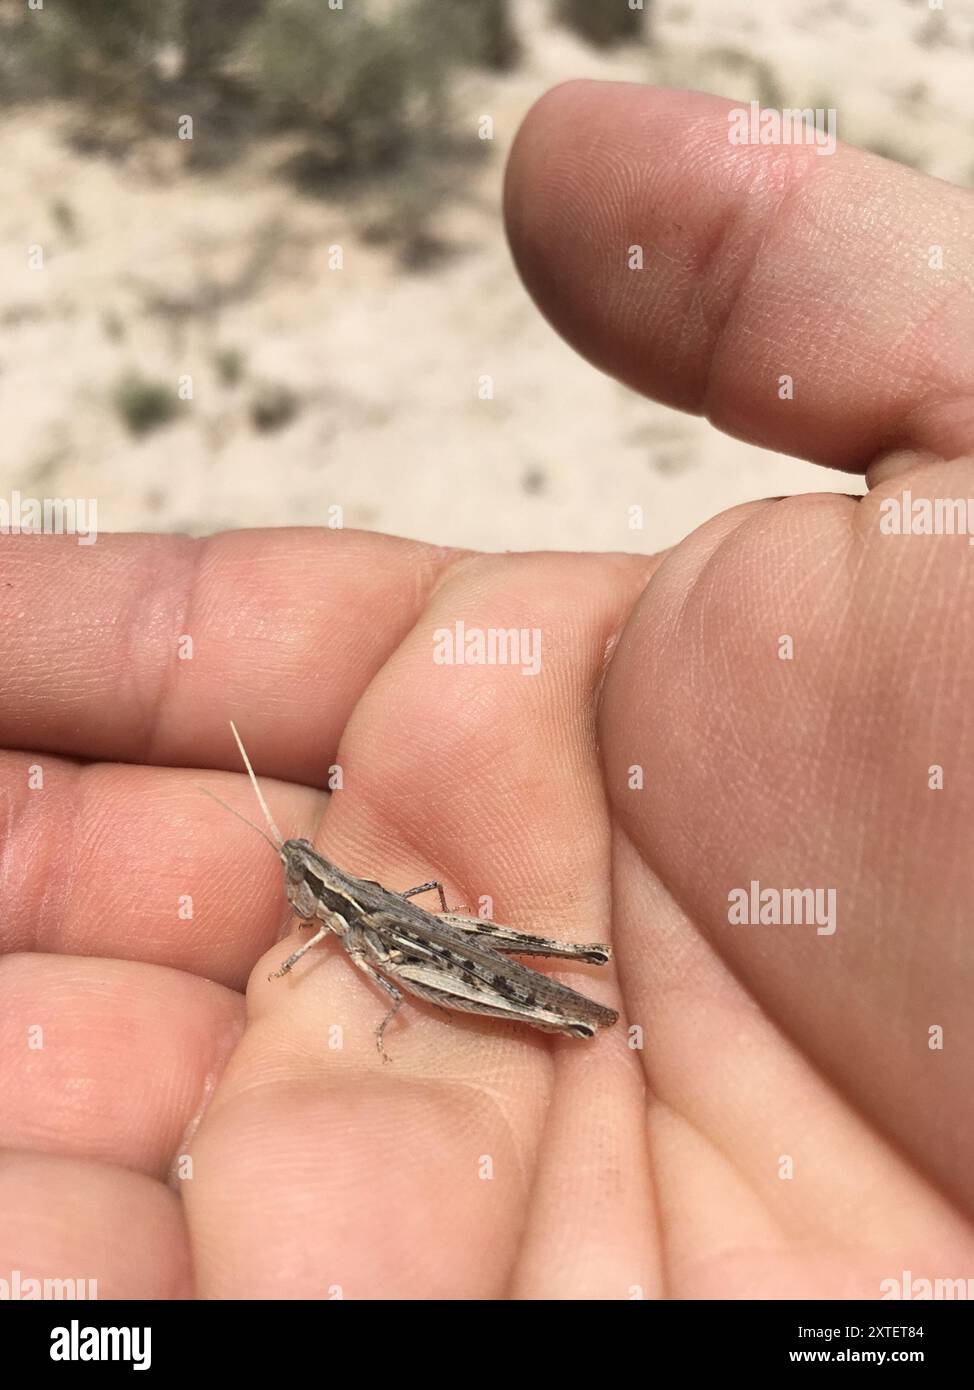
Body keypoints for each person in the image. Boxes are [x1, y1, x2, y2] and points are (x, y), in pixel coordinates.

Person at [1, 82, 971, 1299]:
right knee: (408, 946)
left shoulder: (335, 928)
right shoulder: (328, 920)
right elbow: (362, 925)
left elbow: (390, 957)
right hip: (415, 932)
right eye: (304, 886)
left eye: (302, 883)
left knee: (427, 963)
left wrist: (388, 951)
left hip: (443, 951)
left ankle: (566, 993)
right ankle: (562, 1000)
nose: (300, 893)